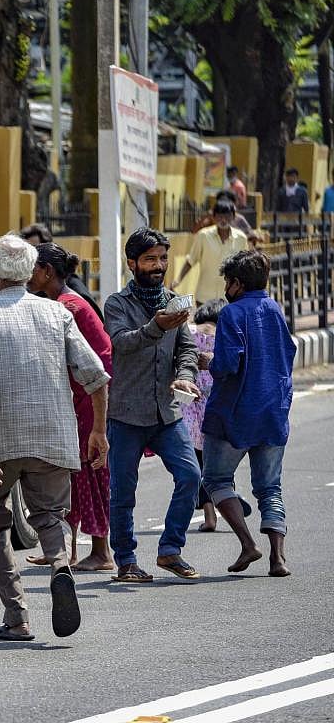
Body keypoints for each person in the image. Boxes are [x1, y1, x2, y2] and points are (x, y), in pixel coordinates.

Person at [0, 235, 108, 642]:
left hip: (0, 438)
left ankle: (17, 617)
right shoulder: (57, 314)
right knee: (50, 517)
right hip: (53, 435)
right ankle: (60, 562)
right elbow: (95, 374)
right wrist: (98, 430)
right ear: (31, 273)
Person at [105, 228, 203, 584]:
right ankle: (126, 560)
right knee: (123, 492)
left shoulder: (176, 301)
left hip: (166, 411)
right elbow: (120, 343)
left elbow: (187, 349)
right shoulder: (117, 304)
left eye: (163, 258)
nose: (158, 265)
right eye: (150, 259)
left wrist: (186, 374)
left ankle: (170, 550)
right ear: (132, 263)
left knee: (191, 475)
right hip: (127, 413)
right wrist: (155, 327)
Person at [201, 250, 296, 577]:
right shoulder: (274, 309)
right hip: (272, 411)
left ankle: (247, 544)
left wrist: (207, 362)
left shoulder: (232, 314)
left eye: (228, 281)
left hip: (234, 413)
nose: (226, 286)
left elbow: (227, 365)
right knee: (270, 488)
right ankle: (278, 559)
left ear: (237, 284)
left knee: (215, 478)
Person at [25, 243, 115, 572]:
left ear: (47, 271)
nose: (29, 275)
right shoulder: (64, 303)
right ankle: (67, 550)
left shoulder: (68, 307)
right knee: (75, 477)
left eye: (33, 268)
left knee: (90, 474)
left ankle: (102, 552)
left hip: (87, 401)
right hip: (79, 399)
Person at [181, 298, 227, 534]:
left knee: (197, 465)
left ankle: (210, 516)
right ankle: (229, 503)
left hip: (190, 408)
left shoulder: (190, 332)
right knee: (218, 464)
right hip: (218, 408)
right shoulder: (225, 336)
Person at [172, 198, 248, 305]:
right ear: (214, 217)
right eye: (220, 216)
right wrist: (178, 280)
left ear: (233, 217)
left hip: (230, 298)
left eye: (227, 216)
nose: (223, 220)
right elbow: (191, 260)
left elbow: (245, 267)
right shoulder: (203, 235)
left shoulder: (241, 238)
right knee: (204, 322)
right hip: (204, 297)